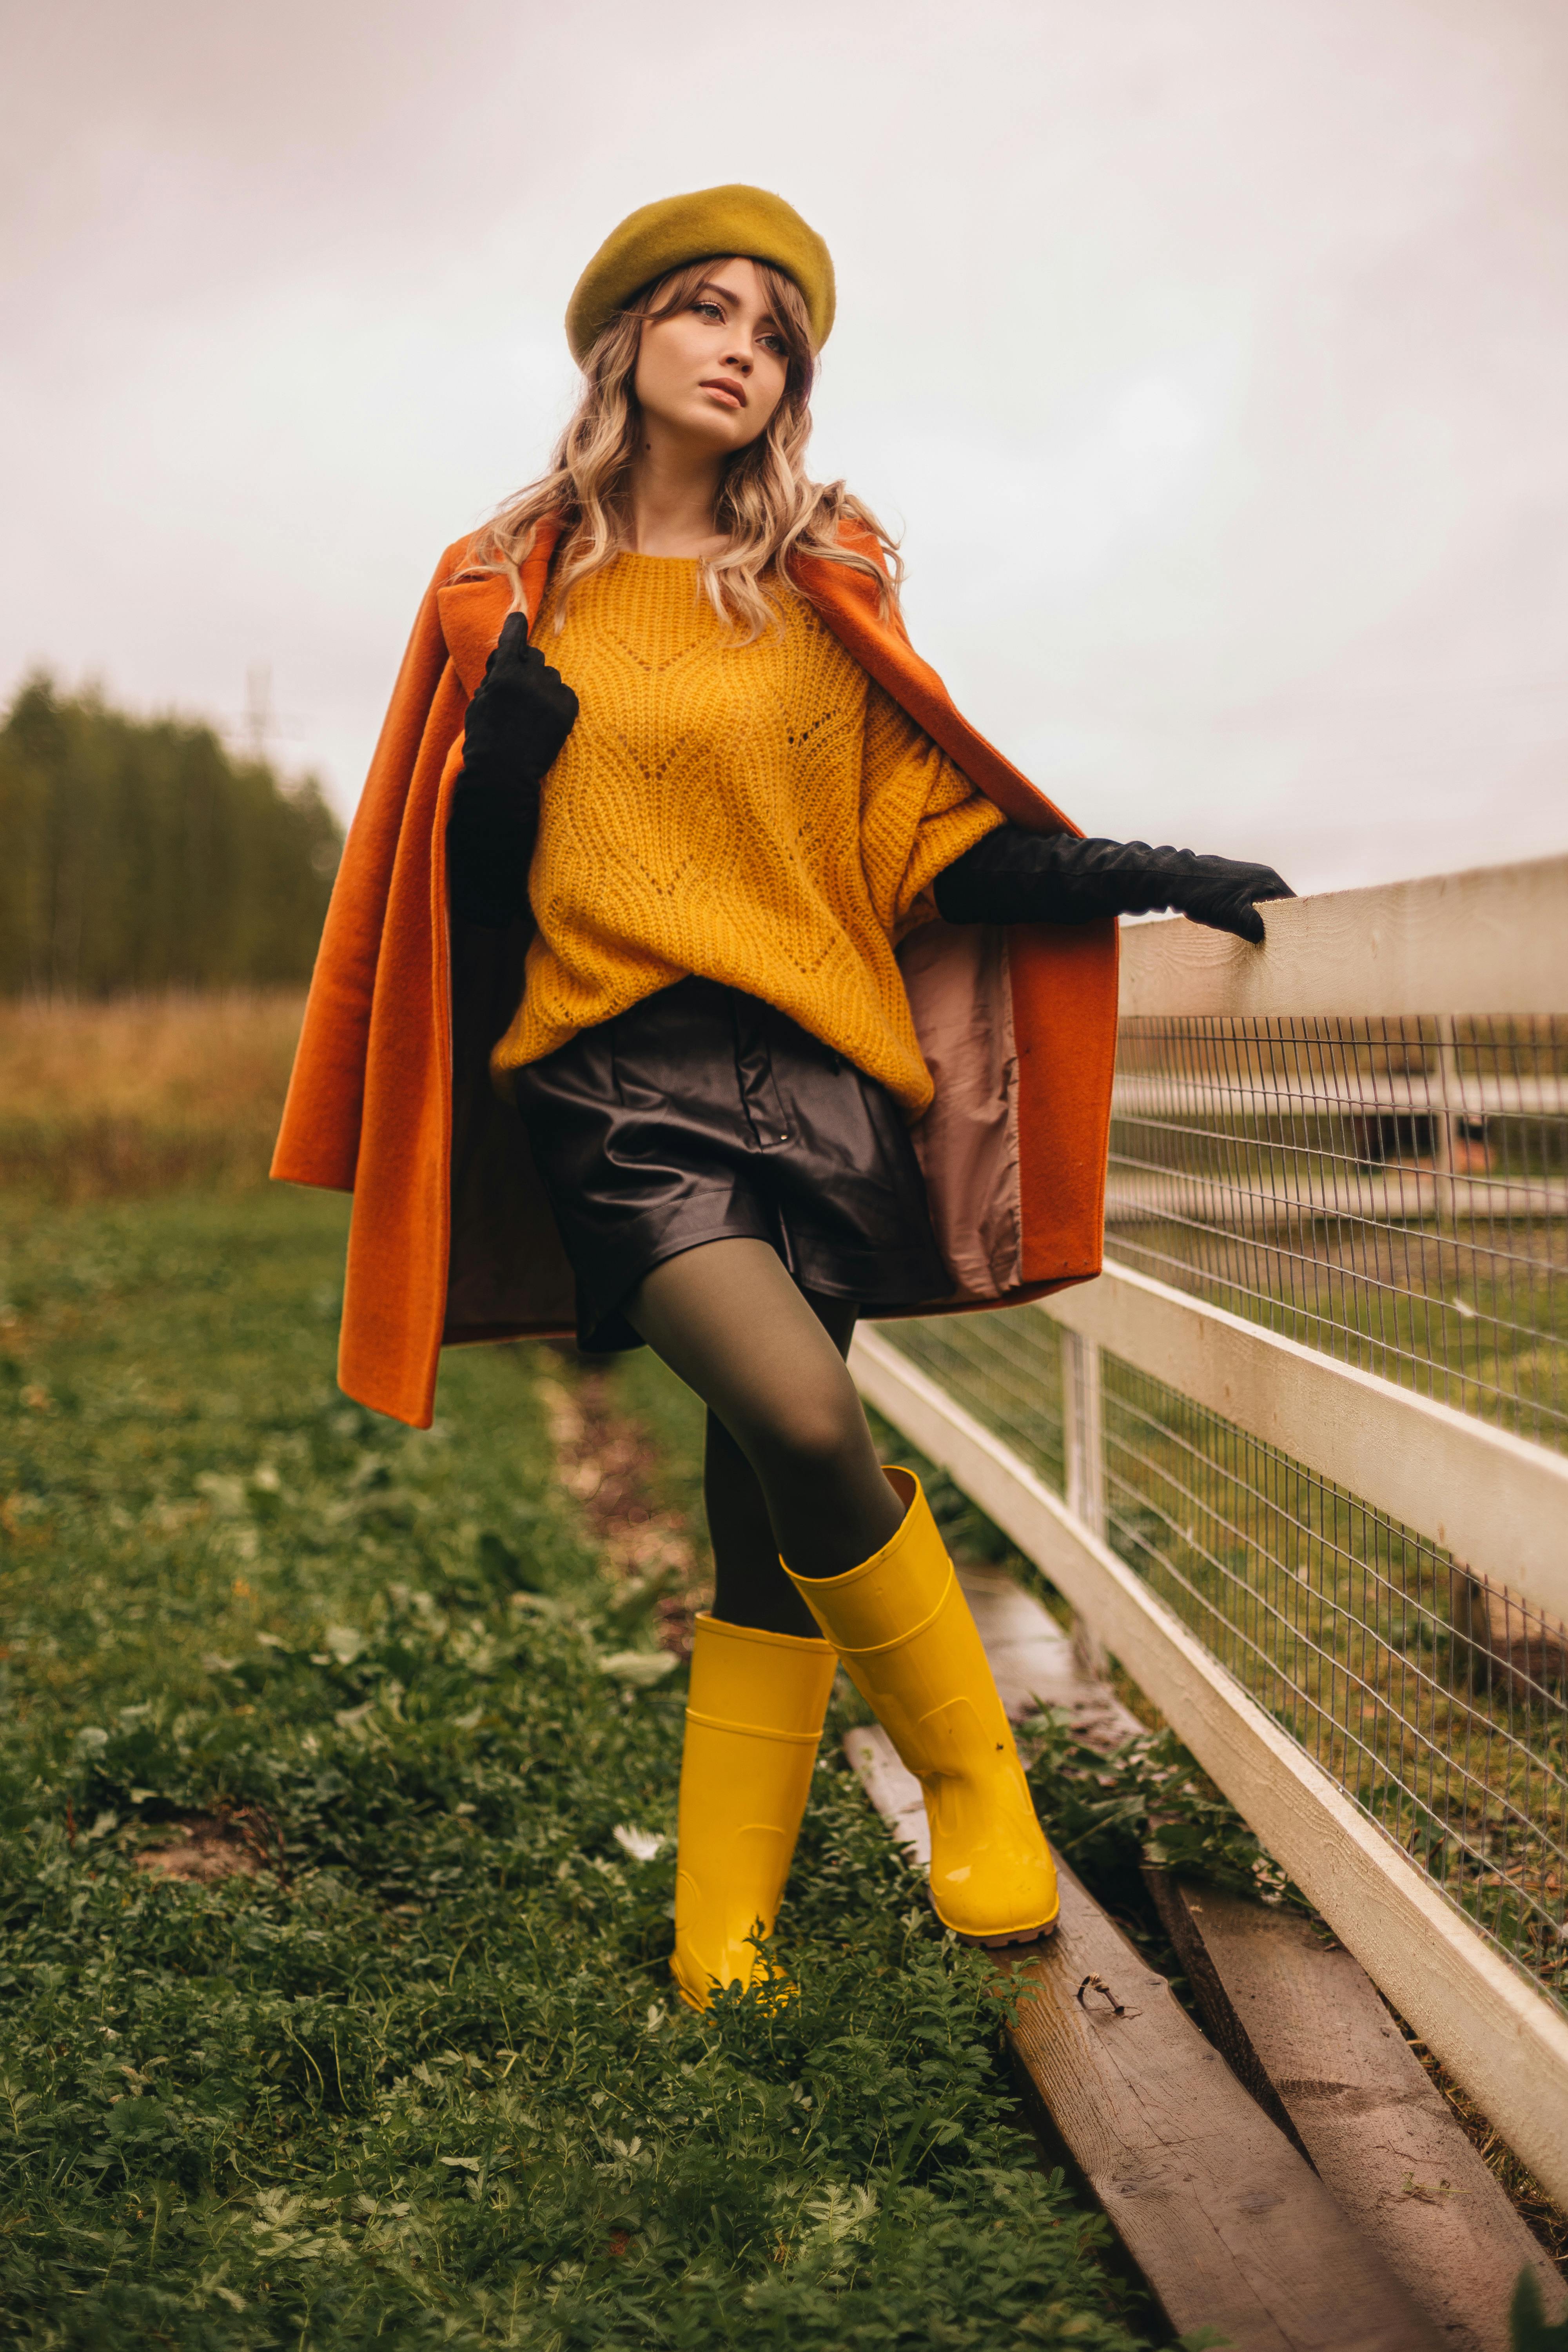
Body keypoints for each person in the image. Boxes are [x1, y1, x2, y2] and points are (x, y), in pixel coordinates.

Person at [273, 185, 1291, 2013]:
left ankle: (724, 1927)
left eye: (776, 330)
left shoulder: (818, 593)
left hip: (820, 1087)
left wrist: (1137, 866)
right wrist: (496, 773)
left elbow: (927, 847)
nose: (744, 345)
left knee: (767, 1510)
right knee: (809, 1424)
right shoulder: (502, 588)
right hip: (616, 1088)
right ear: (629, 345)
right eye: (708, 310)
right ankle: (984, 1778)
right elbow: (461, 894)